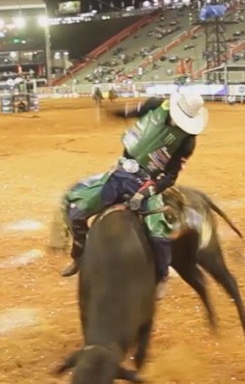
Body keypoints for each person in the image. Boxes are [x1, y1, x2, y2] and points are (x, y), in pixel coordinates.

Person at [59, 90, 209, 299]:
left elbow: (171, 175)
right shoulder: (157, 104)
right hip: (122, 170)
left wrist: (146, 192)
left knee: (158, 233)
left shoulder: (187, 141)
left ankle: (162, 275)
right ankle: (79, 256)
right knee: (76, 212)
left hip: (148, 180)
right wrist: (118, 113)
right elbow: (134, 112)